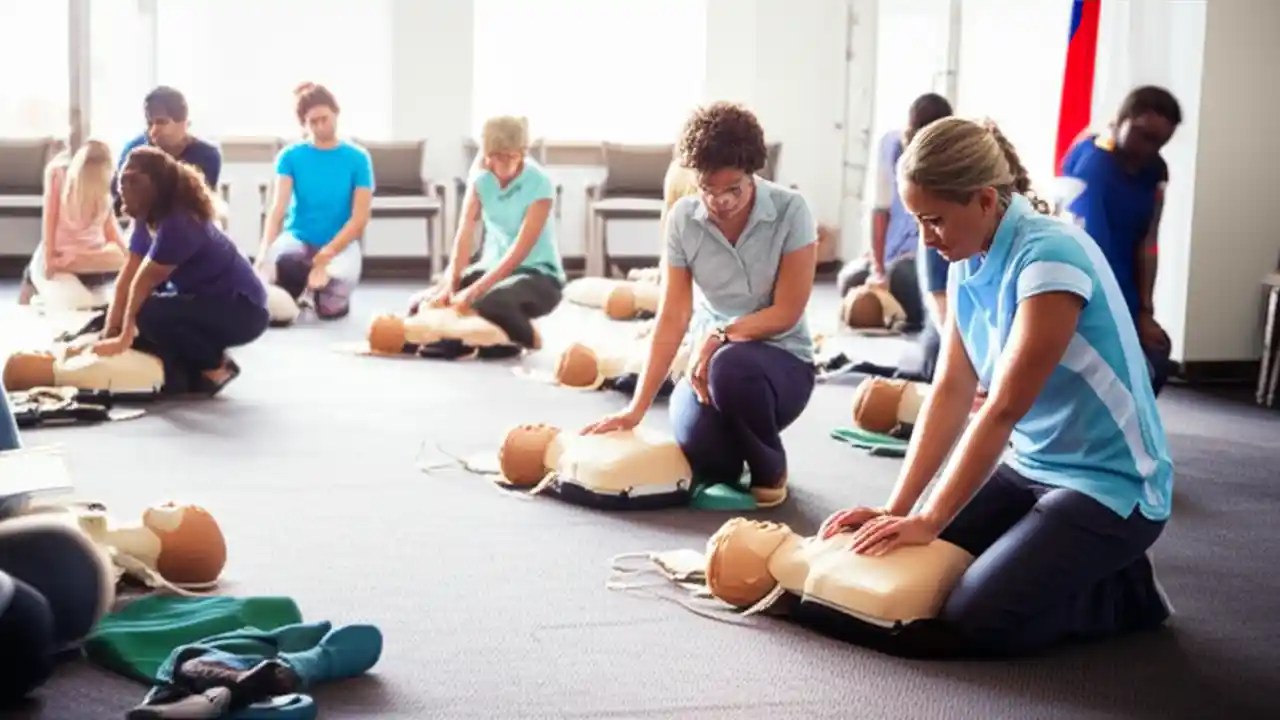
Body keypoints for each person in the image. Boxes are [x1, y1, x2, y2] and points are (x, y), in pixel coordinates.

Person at [820, 117, 1174, 657]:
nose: (926, 238)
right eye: (918, 220)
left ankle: (1122, 592)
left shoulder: (1050, 256)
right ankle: (1071, 562)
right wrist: (899, 509)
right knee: (925, 566)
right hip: (1030, 465)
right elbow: (950, 390)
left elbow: (1002, 407)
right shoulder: (969, 255)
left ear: (986, 201)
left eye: (934, 220)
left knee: (972, 615)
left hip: (1112, 487)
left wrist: (930, 518)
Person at [581, 102, 819, 508]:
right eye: (709, 189)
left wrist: (718, 337)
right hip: (707, 369)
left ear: (753, 173)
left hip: (779, 365)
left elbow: (787, 312)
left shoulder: (791, 211)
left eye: (734, 189)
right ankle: (734, 448)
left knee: (731, 364)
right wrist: (635, 409)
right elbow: (673, 316)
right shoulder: (682, 219)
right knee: (705, 453)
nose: (720, 201)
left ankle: (770, 468)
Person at [92, 146, 268, 395]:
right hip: (203, 301)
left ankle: (216, 366)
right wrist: (109, 330)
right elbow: (128, 275)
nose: (124, 188)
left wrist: (122, 338)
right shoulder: (147, 217)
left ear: (156, 186)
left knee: (146, 314)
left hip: (243, 311)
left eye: (134, 181)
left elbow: (142, 283)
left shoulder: (180, 223)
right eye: (123, 179)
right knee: (121, 316)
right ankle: (188, 369)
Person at [1061, 86, 1181, 393]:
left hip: (1123, 287)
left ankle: (1128, 431)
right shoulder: (1093, 161)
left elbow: (1148, 242)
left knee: (1156, 353)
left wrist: (1144, 311)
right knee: (1121, 369)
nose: (1150, 149)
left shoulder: (1154, 171)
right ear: (1123, 119)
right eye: (1145, 137)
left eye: (1161, 142)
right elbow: (1086, 245)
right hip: (1085, 288)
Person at [408, 115, 564, 349]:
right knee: (424, 302)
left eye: (511, 156)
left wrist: (474, 291)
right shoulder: (480, 179)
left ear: (522, 153)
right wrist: (452, 281)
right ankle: (464, 339)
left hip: (537, 274)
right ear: (487, 154)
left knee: (490, 303)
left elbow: (520, 250)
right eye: (497, 156)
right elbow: (465, 231)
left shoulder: (539, 183)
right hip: (492, 266)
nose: (505, 164)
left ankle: (530, 339)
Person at [837, 93, 955, 331]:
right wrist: (877, 268)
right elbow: (880, 211)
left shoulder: (951, 159)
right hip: (893, 254)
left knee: (904, 276)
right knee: (849, 279)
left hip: (926, 258)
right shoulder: (891, 147)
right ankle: (888, 300)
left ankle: (897, 305)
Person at [257, 83, 373, 320]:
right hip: (299, 238)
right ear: (304, 124)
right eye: (313, 122)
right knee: (285, 262)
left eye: (325, 119)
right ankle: (297, 288)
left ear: (336, 113)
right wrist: (263, 256)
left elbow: (360, 218)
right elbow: (277, 210)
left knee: (331, 310)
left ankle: (322, 294)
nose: (320, 126)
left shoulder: (358, 158)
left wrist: (327, 254)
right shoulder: (290, 156)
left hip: (340, 244)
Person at [17, 139, 126, 309]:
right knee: (75, 292)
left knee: (120, 257)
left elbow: (111, 231)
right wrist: (48, 259)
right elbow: (49, 220)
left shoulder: (106, 190)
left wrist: (129, 258)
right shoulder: (58, 175)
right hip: (65, 255)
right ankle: (36, 281)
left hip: (90, 257)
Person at [112, 86, 222, 214]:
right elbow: (117, 200)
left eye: (161, 122)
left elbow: (200, 206)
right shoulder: (134, 150)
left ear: (183, 123)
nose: (153, 131)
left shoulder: (207, 155)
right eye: (149, 124)